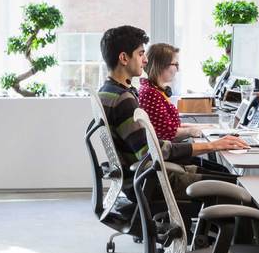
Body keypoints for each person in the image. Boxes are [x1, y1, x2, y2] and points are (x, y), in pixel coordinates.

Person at [96, 26, 244, 197]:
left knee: (224, 173)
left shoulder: (107, 91)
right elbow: (151, 151)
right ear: (123, 58)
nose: (145, 60)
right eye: (140, 54)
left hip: (141, 177)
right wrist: (212, 145)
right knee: (237, 187)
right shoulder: (123, 100)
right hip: (151, 180)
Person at [138, 43, 206, 144]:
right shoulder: (151, 93)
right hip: (168, 152)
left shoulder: (155, 90)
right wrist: (191, 131)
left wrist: (207, 128)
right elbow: (167, 133)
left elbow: (169, 126)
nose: (178, 70)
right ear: (161, 66)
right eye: (176, 65)